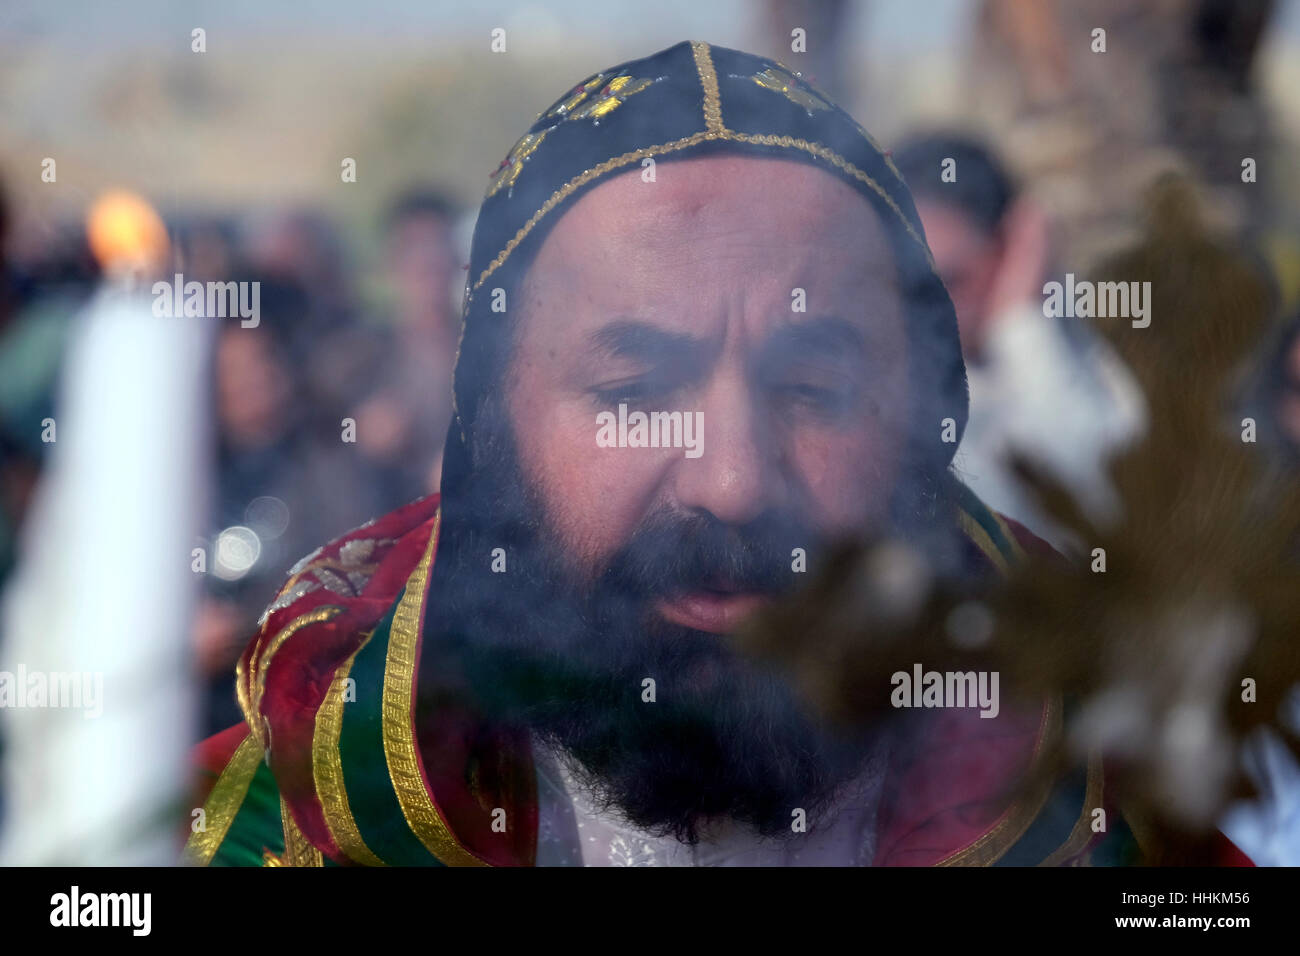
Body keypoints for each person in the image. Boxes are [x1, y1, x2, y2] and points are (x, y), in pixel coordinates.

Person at [186, 41, 1158, 867]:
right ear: (492, 423)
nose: (733, 481)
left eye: (812, 389)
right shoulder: (264, 827)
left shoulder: (1111, 813)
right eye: (634, 392)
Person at [893, 134, 1145, 550]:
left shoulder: (1114, 348)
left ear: (1013, 250)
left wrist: (1019, 325)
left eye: (951, 280)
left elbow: (1103, 503)